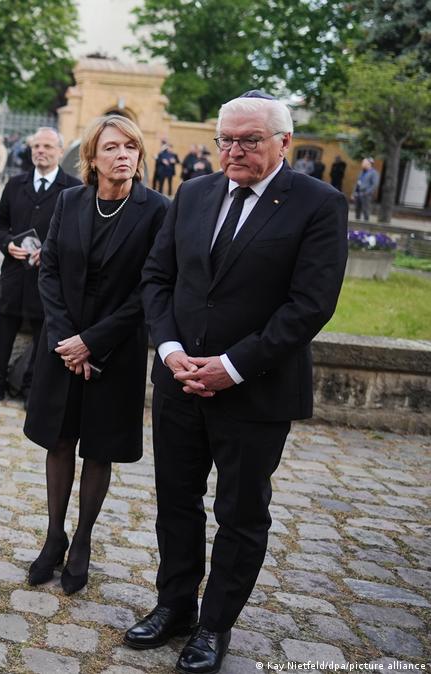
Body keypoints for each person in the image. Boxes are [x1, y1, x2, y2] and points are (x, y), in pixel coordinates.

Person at [134, 91, 347, 673]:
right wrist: (172, 349)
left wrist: (231, 366)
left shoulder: (317, 204)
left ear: (282, 141)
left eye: (249, 140)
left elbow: (309, 305)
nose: (233, 151)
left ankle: (214, 625)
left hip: (255, 391)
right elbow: (158, 278)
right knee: (176, 502)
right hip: (180, 382)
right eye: (224, 139)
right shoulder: (195, 194)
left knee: (241, 512)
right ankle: (174, 605)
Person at [23, 115, 168, 597]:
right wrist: (68, 340)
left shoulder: (157, 211)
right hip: (62, 349)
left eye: (131, 145)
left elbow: (150, 287)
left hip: (115, 353)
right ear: (92, 157)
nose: (123, 154)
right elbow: (50, 272)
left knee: (98, 448)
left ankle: (82, 540)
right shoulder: (69, 200)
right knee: (59, 441)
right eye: (112, 147)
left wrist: (94, 342)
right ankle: (54, 536)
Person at [0, 128, 81, 403]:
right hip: (14, 274)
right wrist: (7, 244)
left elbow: (76, 236)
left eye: (47, 147)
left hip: (48, 279)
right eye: (36, 146)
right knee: (2, 330)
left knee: (44, 337)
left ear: (60, 151)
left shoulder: (74, 188)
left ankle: (33, 391)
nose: (41, 151)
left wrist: (51, 254)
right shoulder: (15, 184)